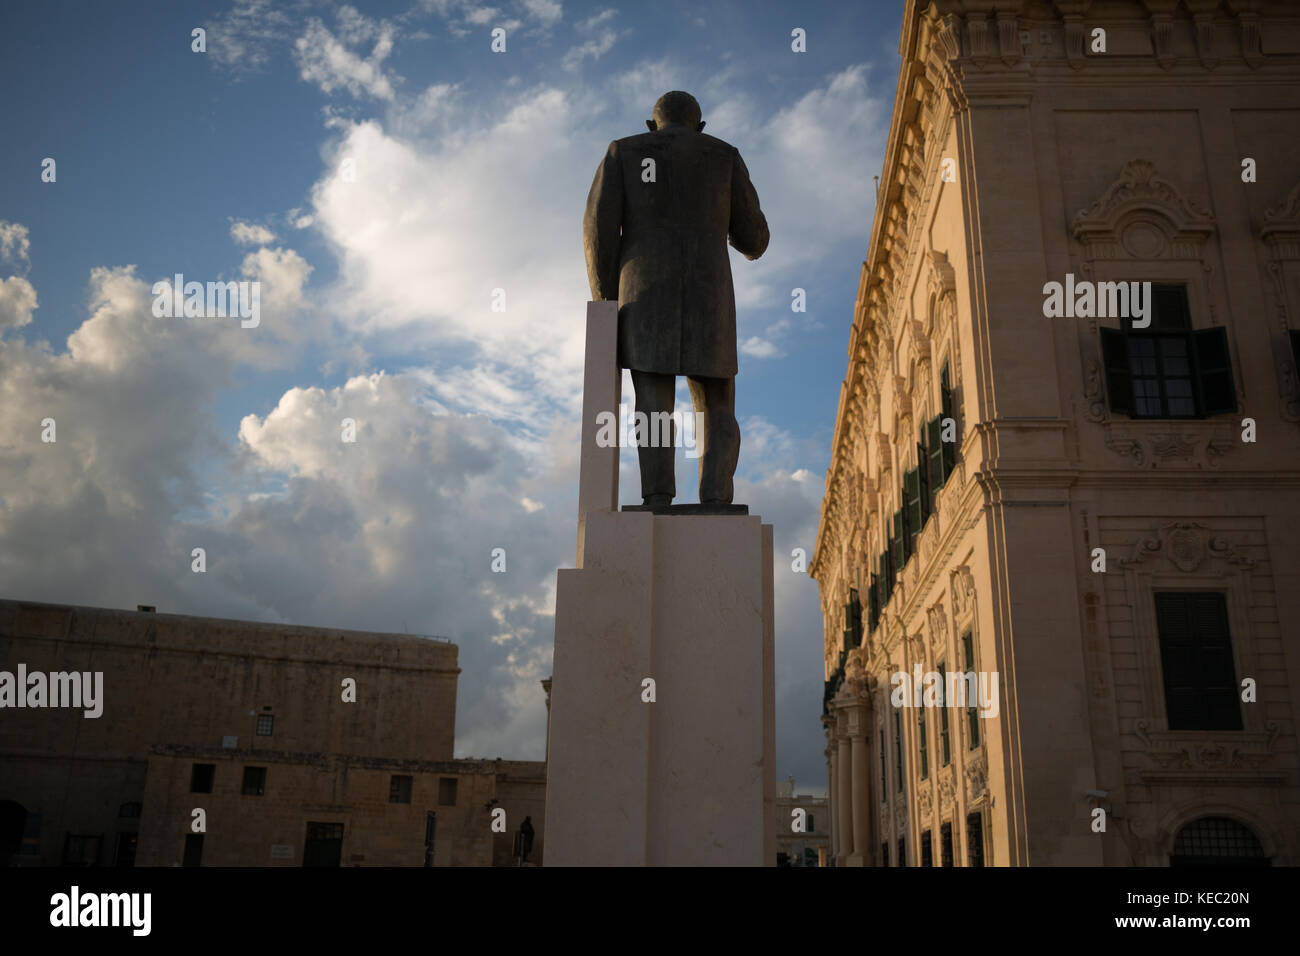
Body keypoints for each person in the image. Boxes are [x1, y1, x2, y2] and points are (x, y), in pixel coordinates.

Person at [583, 91, 769, 509]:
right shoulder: (724, 155)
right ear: (700, 126)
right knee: (716, 403)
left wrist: (605, 300)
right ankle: (717, 497)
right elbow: (753, 240)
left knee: (652, 406)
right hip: (711, 294)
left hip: (643, 293)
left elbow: (598, 227)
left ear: (652, 125)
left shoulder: (624, 152)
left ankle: (657, 498)